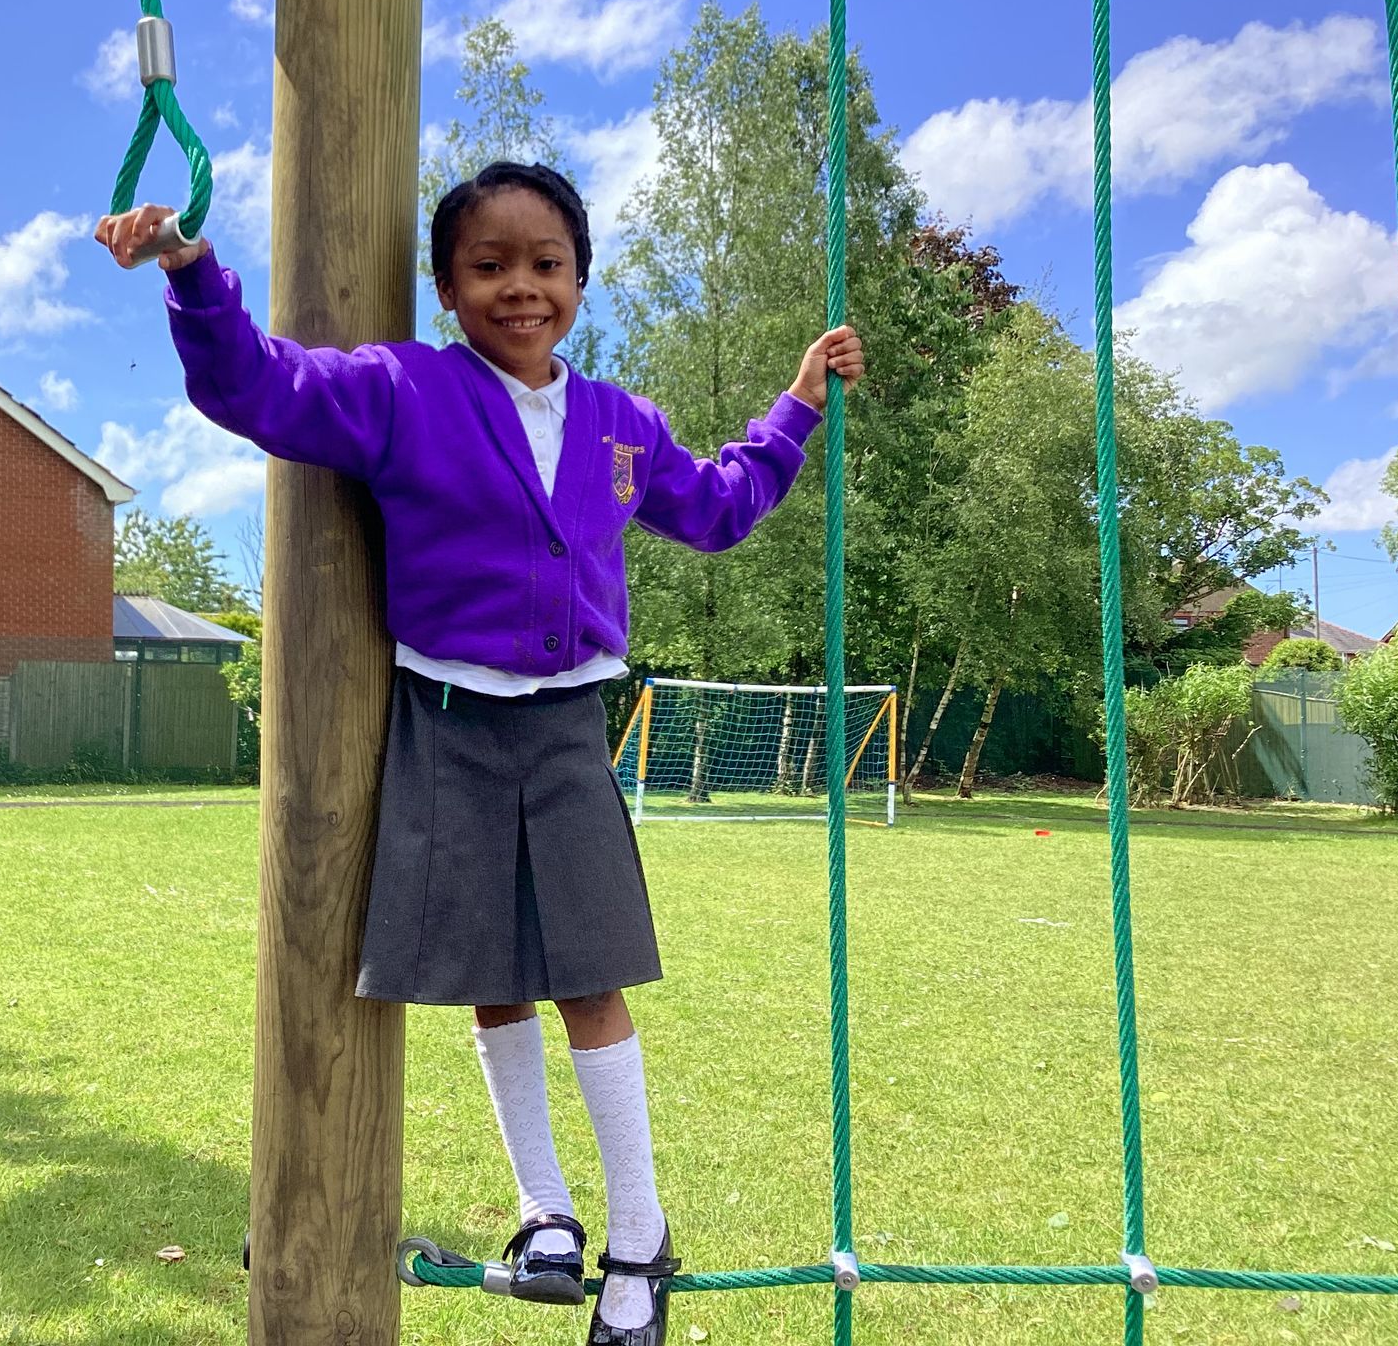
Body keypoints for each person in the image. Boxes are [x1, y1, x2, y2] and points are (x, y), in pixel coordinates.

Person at [97, 161, 862, 1346]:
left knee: (589, 976)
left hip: (565, 732)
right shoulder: (402, 389)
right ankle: (545, 1210)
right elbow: (258, 388)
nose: (520, 287)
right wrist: (194, 272)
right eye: (488, 266)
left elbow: (716, 509)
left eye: (545, 264)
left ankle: (640, 1240)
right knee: (489, 975)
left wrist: (796, 407)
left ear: (579, 280)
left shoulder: (619, 425)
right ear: (446, 287)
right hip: (446, 722)